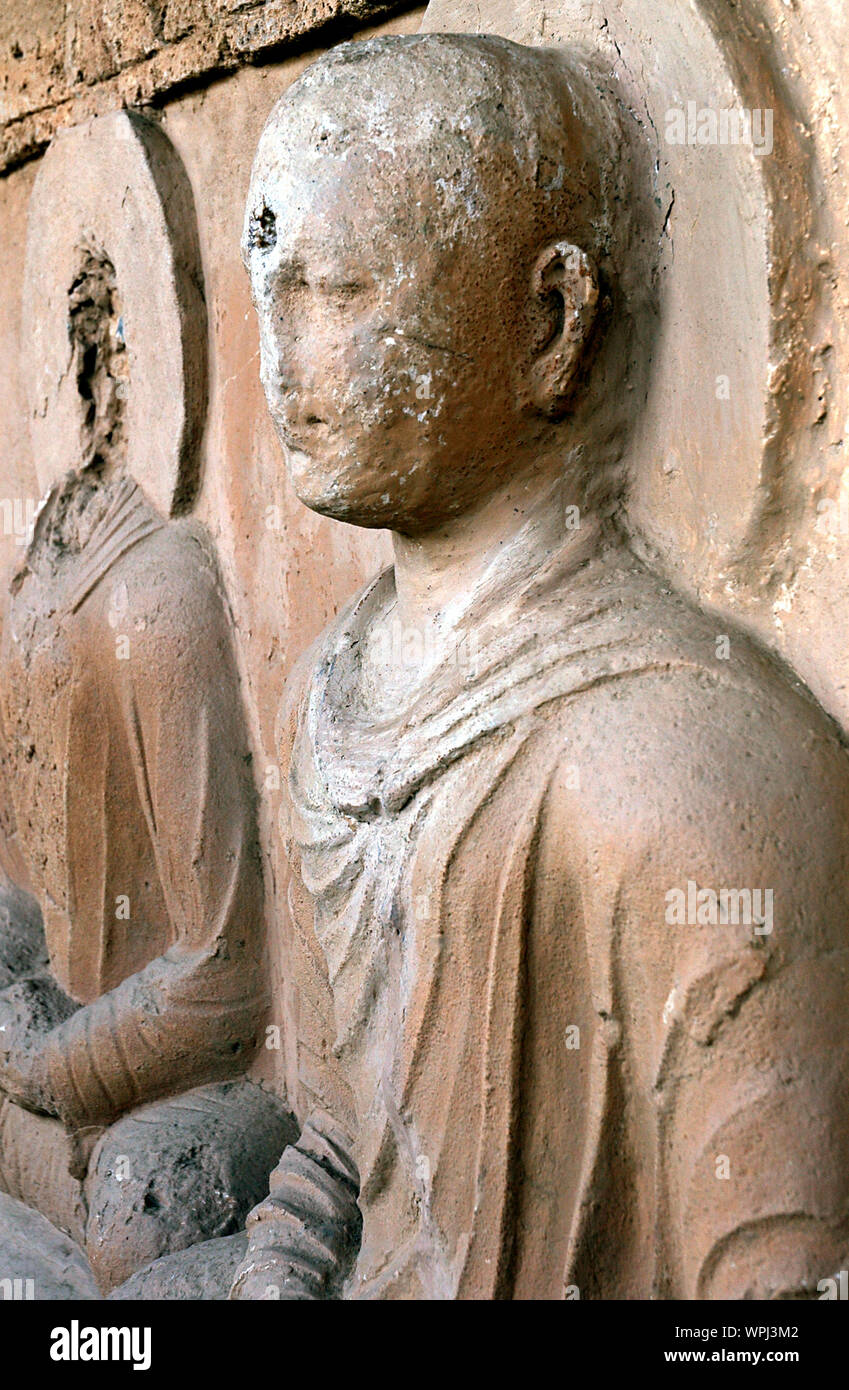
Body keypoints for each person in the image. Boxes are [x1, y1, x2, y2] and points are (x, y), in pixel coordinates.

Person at [231, 33, 849, 1300]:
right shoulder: (334, 698)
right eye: (270, 287)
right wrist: (278, 1271)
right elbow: (341, 1142)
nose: (282, 363)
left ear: (552, 319)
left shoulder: (695, 775)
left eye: (342, 290)